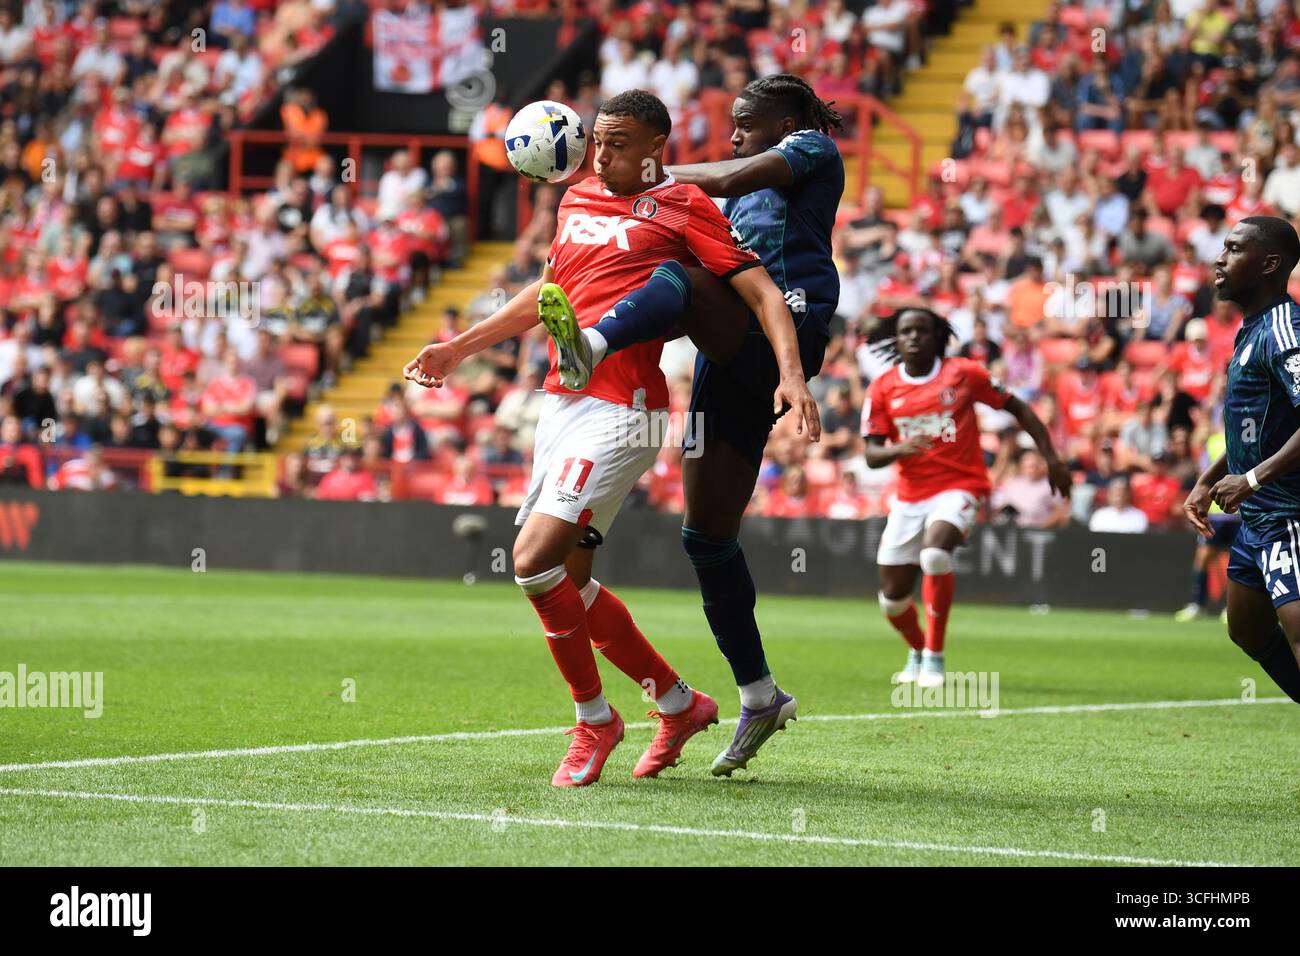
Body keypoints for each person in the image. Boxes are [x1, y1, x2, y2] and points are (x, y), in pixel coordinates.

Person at [403, 90, 803, 786]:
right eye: (598, 140)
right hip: (563, 403)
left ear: (655, 147)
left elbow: (762, 292)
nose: (601, 152)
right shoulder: (578, 198)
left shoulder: (684, 206)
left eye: (618, 142)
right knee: (570, 582)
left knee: (530, 562)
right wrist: (459, 348)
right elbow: (550, 289)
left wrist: (792, 377)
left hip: (628, 409)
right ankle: (678, 704)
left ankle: (596, 721)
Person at [533, 75, 837, 776]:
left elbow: (733, 176)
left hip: (777, 331)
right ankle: (759, 694)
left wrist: (649, 176)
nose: (734, 136)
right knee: (705, 536)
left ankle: (596, 346)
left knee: (684, 278)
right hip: (725, 350)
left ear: (784, 119)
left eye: (745, 123)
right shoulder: (670, 201)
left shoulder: (811, 147)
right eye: (731, 125)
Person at [863, 308, 1070, 687]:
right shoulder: (882, 387)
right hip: (910, 496)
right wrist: (900, 448)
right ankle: (918, 648)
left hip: (962, 484)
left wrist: (1051, 457)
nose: (913, 337)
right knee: (891, 600)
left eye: (922, 330)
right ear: (896, 338)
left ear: (938, 336)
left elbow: (1018, 407)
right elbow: (871, 455)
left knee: (935, 553)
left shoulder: (964, 374)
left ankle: (935, 659)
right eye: (906, 331)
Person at [1183, 215, 1300, 704]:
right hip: (1257, 516)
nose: (1219, 258)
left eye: (1233, 249)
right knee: (1246, 628)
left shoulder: (1286, 331)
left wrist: (1250, 479)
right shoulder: (1251, 328)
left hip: (1289, 515)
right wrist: (1209, 479)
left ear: (1269, 263)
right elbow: (1255, 426)